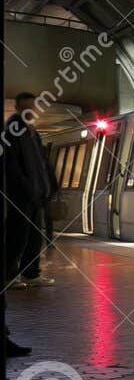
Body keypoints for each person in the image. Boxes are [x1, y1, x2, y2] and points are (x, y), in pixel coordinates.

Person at [1, 91, 57, 291]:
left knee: (33, 235)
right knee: (17, 235)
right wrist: (26, 187)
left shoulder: (32, 132)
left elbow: (41, 164)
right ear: (17, 108)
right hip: (21, 195)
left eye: (32, 107)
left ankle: (31, 273)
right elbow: (11, 166)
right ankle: (8, 275)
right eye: (26, 108)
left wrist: (47, 187)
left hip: (35, 194)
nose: (30, 111)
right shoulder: (11, 131)